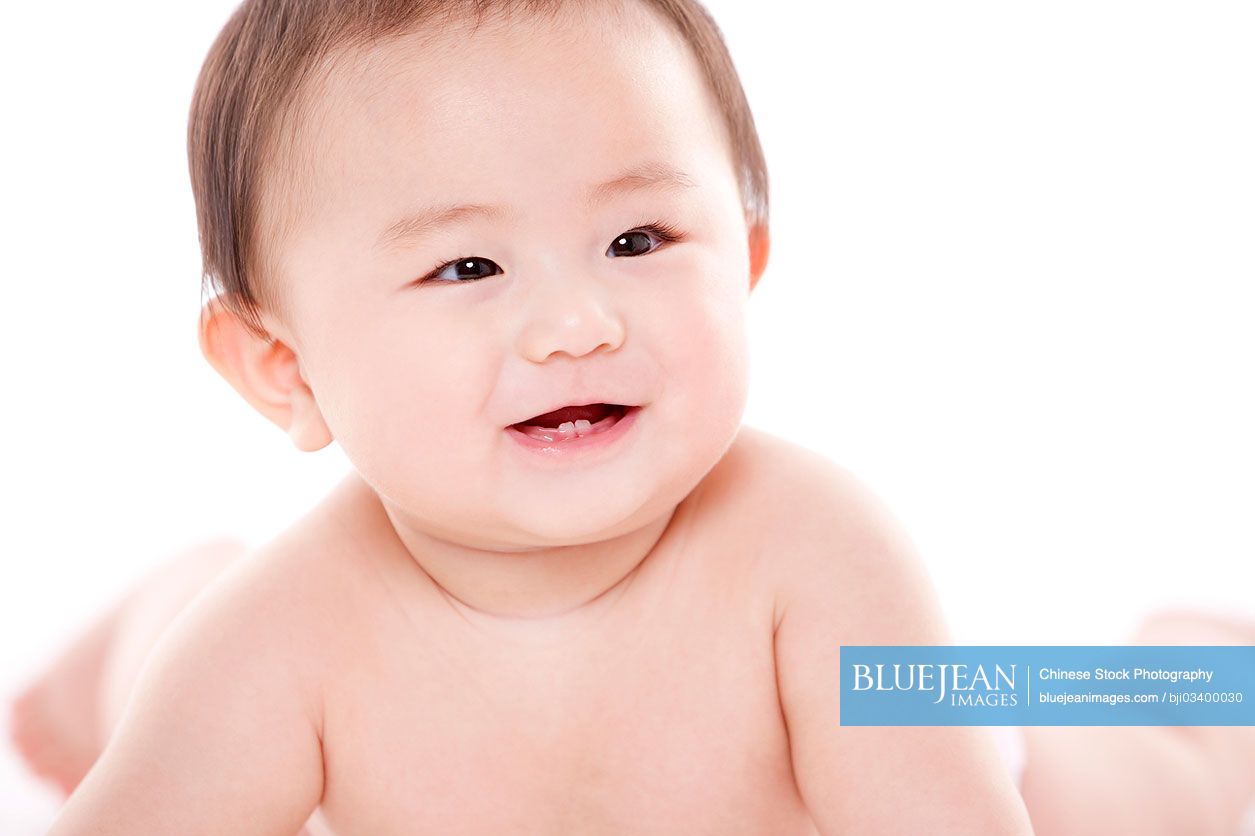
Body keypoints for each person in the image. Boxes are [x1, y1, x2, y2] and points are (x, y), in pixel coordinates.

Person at [7, 0, 1254, 832]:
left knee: (1156, 774)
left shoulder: (809, 548)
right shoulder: (285, 635)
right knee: (185, 667)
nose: (575, 323)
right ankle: (142, 619)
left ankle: (1197, 672)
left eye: (636, 238)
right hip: (222, 649)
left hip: (923, 750)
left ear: (745, 257)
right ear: (285, 366)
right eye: (468, 268)